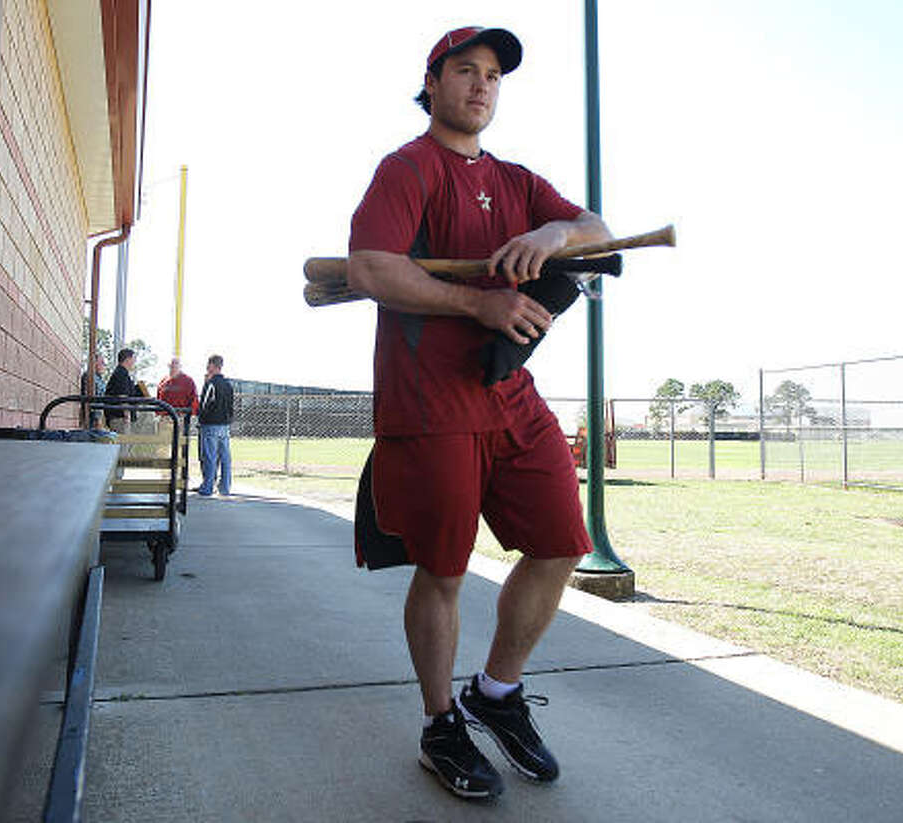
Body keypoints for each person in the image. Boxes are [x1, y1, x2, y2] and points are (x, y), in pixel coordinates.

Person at [347, 26, 613, 801]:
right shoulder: (407, 170)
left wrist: (553, 231)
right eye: (467, 70)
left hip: (510, 399)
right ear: (432, 83)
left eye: (494, 75)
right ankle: (440, 724)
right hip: (430, 403)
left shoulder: (518, 179)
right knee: (443, 570)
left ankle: (494, 693)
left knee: (563, 540)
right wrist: (480, 303)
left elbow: (596, 231)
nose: (483, 85)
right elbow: (369, 266)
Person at [196, 354, 233, 496]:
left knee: (210, 457)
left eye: (208, 364)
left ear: (213, 365)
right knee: (225, 457)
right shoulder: (228, 385)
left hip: (210, 424)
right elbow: (230, 406)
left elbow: (204, 405)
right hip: (224, 425)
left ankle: (208, 487)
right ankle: (225, 487)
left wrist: (201, 418)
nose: (207, 367)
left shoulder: (211, 384)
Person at [104, 347, 143, 434]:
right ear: (128, 359)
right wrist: (127, 415)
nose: (134, 362)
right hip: (120, 418)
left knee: (124, 445)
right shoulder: (121, 373)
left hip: (119, 417)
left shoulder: (122, 373)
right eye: (133, 359)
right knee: (123, 445)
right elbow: (122, 395)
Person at [80, 355, 109, 428]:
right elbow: (92, 397)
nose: (104, 365)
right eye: (102, 363)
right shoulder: (89, 376)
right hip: (92, 416)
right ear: (94, 363)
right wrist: (97, 419)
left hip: (100, 414)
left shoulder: (100, 379)